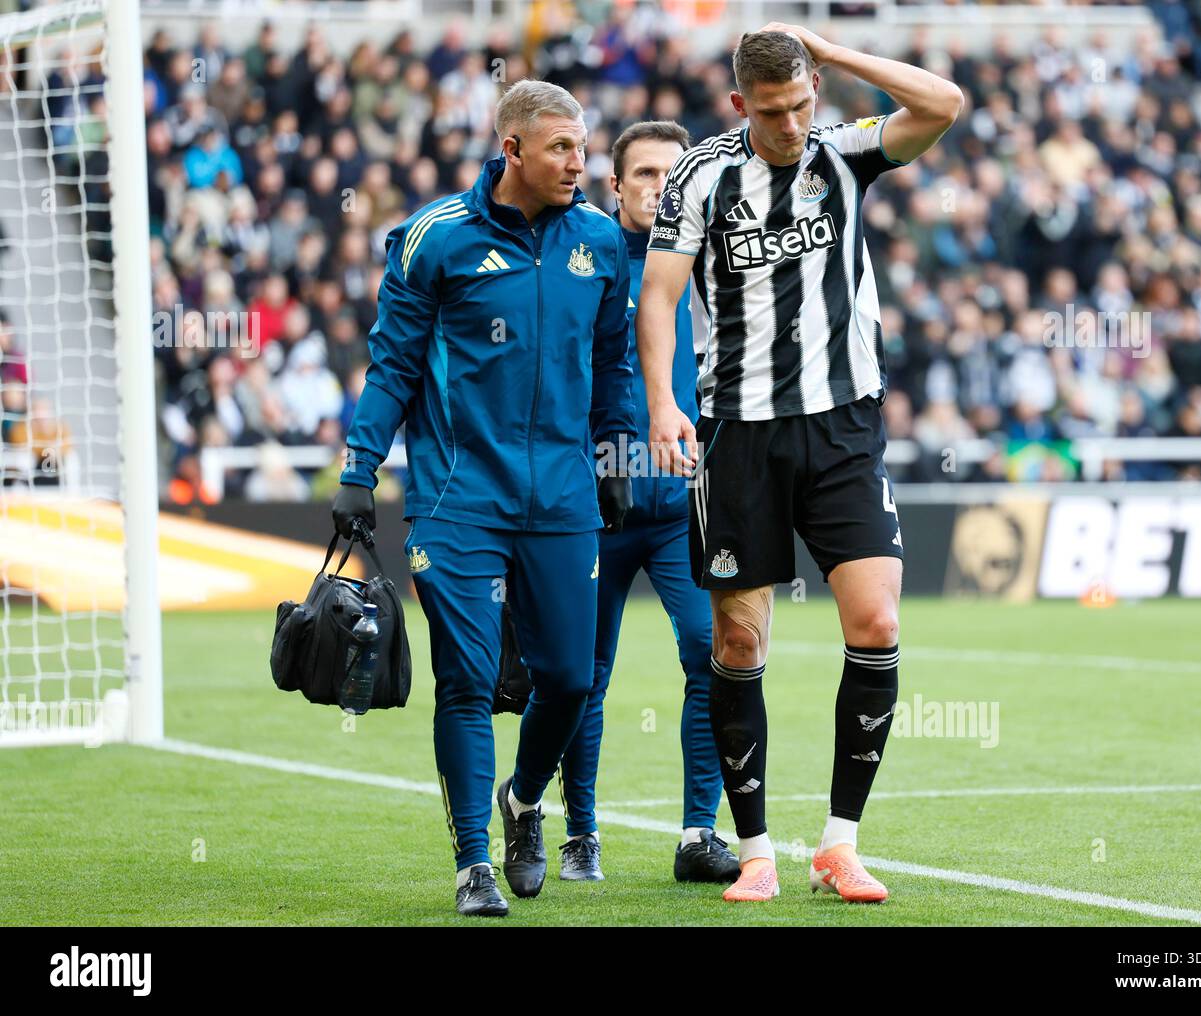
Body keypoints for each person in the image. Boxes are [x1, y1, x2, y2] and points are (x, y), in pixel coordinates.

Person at [636, 24, 962, 903]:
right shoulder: (701, 175)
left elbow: (943, 104)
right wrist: (665, 404)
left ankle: (840, 844)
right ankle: (755, 851)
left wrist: (837, 52)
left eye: (801, 104)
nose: (788, 126)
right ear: (741, 104)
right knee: (738, 640)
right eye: (771, 112)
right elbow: (659, 294)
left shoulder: (845, 152)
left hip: (843, 425)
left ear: (815, 90)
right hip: (737, 432)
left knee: (878, 624)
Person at [331, 79, 636, 917]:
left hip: (565, 498)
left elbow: (612, 365)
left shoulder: (602, 245)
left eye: (583, 146)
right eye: (563, 149)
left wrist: (615, 453)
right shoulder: (435, 238)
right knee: (465, 678)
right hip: (456, 499)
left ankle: (523, 801)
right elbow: (391, 364)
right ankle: (472, 863)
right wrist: (360, 471)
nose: (581, 162)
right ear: (513, 152)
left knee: (572, 680)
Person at [534, 121, 740, 885]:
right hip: (593, 509)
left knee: (714, 655)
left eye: (671, 173)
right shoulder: (579, 255)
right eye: (643, 173)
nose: (658, 185)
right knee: (583, 676)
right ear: (613, 186)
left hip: (683, 502)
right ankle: (579, 831)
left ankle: (698, 832)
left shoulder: (712, 258)